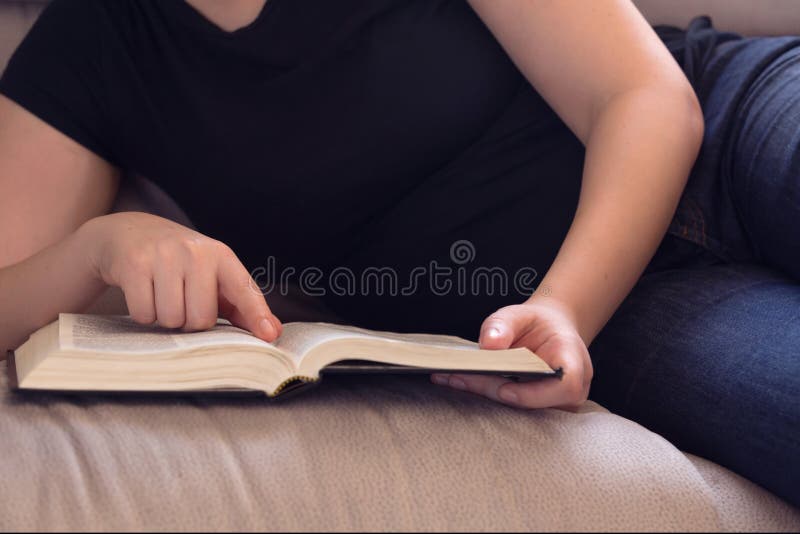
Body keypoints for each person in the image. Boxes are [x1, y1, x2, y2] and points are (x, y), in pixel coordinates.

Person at [0, 0, 796, 506]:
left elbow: (643, 96)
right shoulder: (89, 43)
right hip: (618, 319)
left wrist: (566, 304)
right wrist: (95, 248)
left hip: (731, 131)